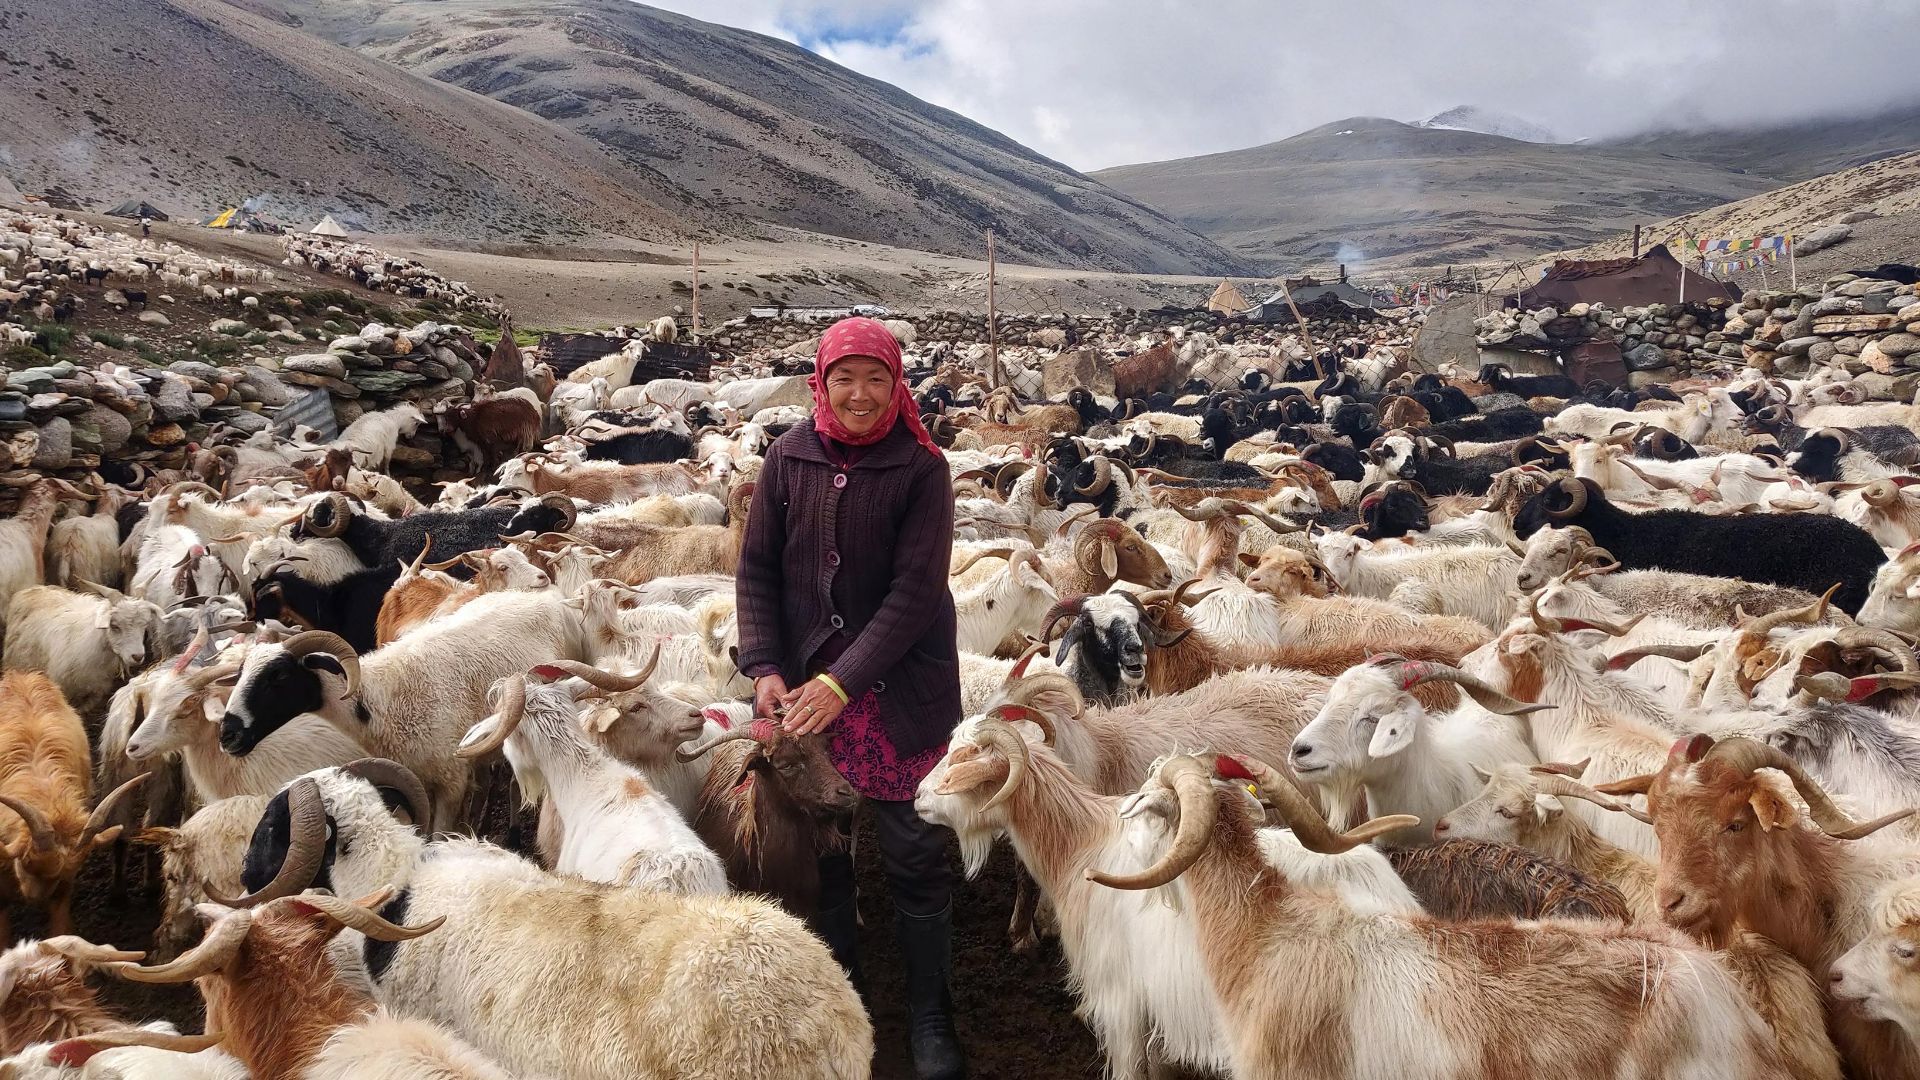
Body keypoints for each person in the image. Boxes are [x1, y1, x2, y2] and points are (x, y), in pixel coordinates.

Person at [734, 316, 965, 1080]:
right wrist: (766, 664)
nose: (861, 394)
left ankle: (930, 1013)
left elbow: (915, 592)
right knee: (820, 847)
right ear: (821, 383)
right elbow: (757, 571)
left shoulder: (921, 468)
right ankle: (847, 992)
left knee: (913, 848)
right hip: (803, 691)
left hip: (898, 683)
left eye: (877, 379)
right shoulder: (787, 458)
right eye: (845, 378)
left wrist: (844, 680)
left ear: (896, 385)